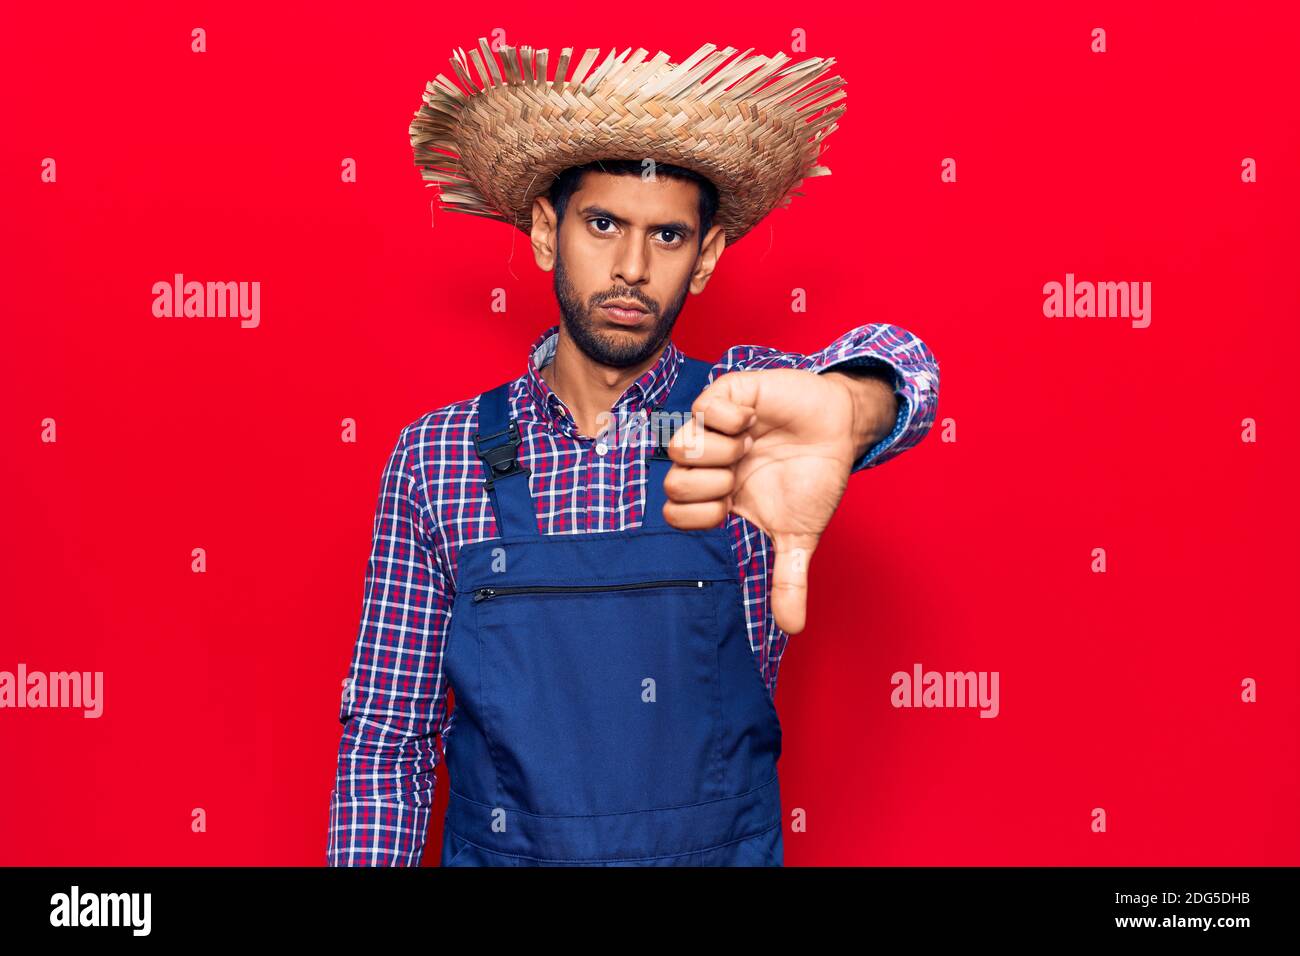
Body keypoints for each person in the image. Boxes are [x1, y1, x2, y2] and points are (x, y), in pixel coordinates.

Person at [327, 38, 940, 866]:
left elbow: (908, 368)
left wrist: (852, 404)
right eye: (604, 223)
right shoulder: (438, 457)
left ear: (708, 254)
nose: (630, 267)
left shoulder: (742, 417)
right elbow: (386, 747)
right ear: (548, 233)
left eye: (668, 237)